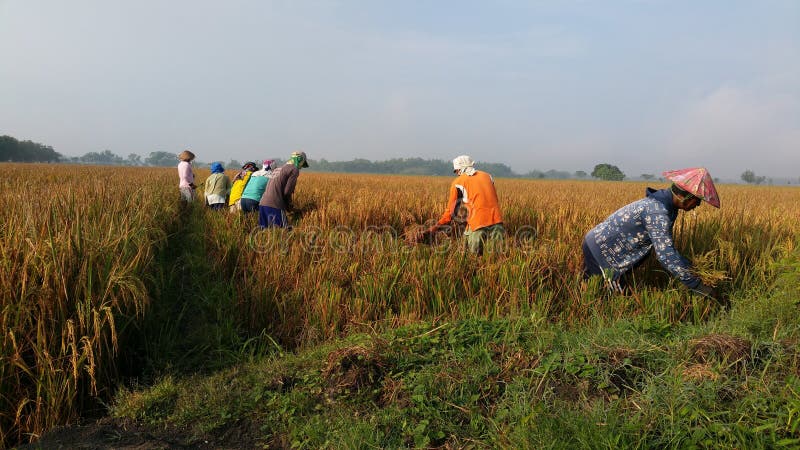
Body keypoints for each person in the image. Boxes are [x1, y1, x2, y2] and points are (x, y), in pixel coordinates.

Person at [582, 167, 723, 300]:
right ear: (685, 197)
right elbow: (666, 256)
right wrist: (696, 285)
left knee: (591, 288)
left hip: (600, 242)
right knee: (620, 298)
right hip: (602, 252)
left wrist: (689, 266)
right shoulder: (658, 213)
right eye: (697, 201)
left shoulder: (667, 206)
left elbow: (667, 246)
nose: (696, 206)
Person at [424, 155, 505, 254]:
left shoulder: (458, 182)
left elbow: (450, 212)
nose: (457, 174)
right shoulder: (488, 176)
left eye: (456, 171)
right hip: (497, 222)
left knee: (473, 258)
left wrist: (435, 227)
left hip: (478, 225)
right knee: (496, 258)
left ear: (460, 169)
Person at [258, 151, 309, 228]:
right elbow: (287, 191)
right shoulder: (294, 169)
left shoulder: (279, 169)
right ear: (299, 160)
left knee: (264, 231)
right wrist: (289, 206)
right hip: (275, 204)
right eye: (302, 164)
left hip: (263, 203)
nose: (301, 167)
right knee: (284, 231)